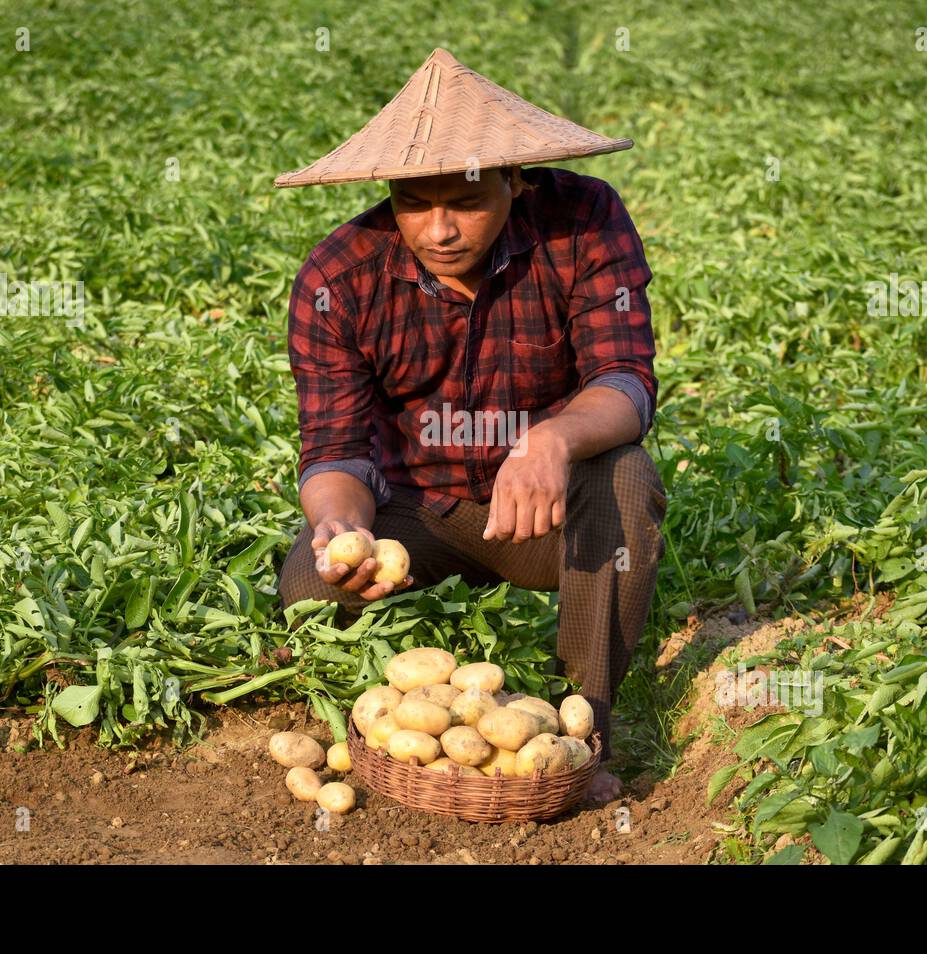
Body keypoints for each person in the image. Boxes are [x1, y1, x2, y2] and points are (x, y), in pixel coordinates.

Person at [273, 49, 666, 803]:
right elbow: (333, 449)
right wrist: (338, 532)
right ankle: (386, 730)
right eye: (416, 202)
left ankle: (580, 737)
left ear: (517, 181)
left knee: (625, 477)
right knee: (305, 587)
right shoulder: (338, 277)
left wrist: (550, 440)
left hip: (540, 512)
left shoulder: (583, 221)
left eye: (468, 201)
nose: (441, 228)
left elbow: (626, 384)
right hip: (413, 513)